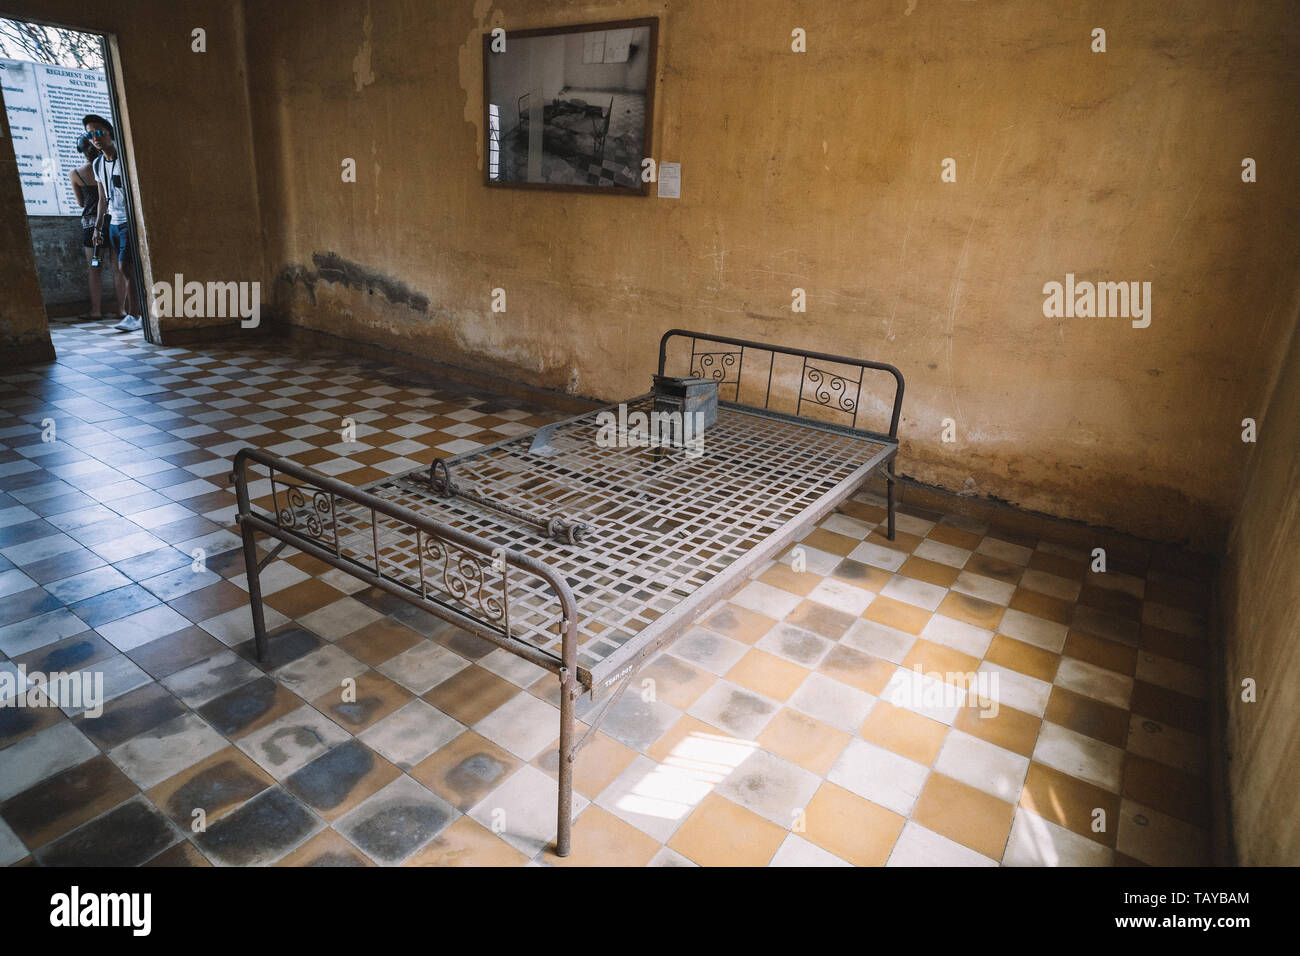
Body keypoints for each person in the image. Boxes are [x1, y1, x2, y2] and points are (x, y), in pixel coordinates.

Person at [83, 114, 141, 332]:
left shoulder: (125, 158)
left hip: (130, 221)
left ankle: (134, 315)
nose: (95, 138)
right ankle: (134, 313)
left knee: (125, 267)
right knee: (126, 269)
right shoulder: (98, 164)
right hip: (114, 222)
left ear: (109, 133)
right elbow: (102, 198)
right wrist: (98, 228)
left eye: (99, 132)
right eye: (90, 135)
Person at [69, 133, 107, 321]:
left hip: (91, 228)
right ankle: (123, 310)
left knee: (95, 267)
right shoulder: (105, 168)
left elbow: (79, 202)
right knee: (119, 267)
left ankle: (96, 310)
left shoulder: (75, 174)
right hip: (112, 224)